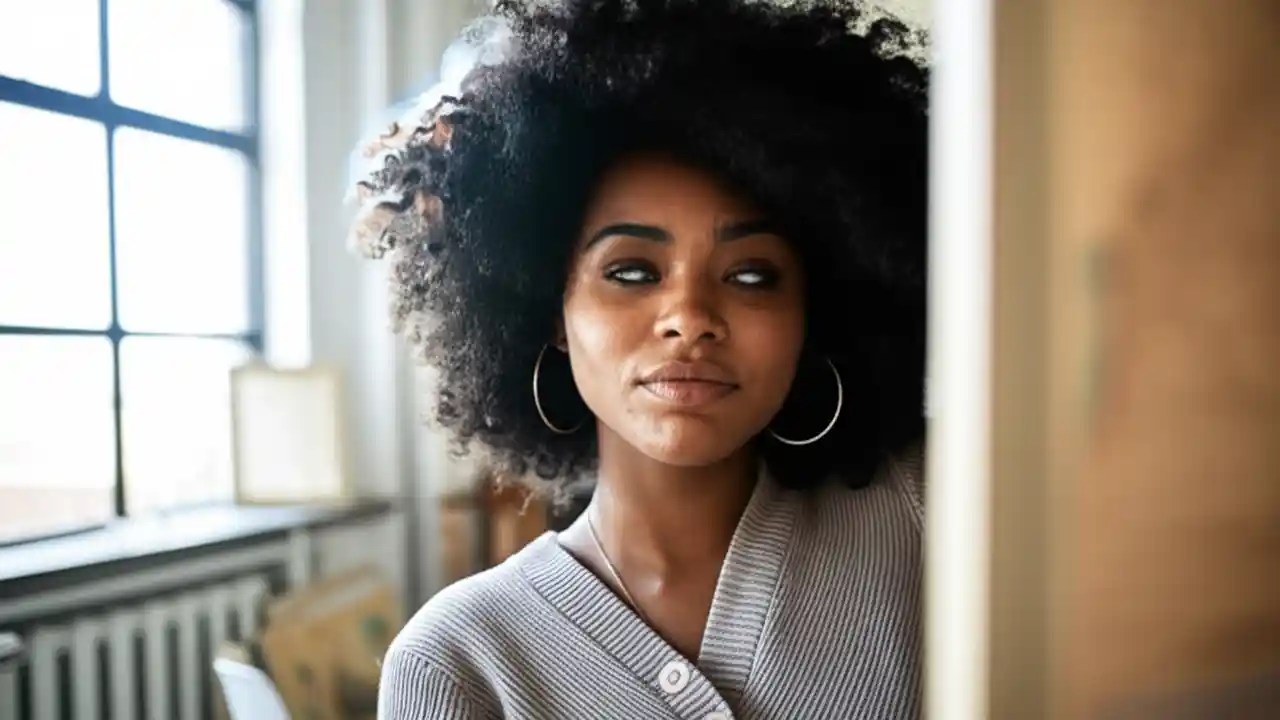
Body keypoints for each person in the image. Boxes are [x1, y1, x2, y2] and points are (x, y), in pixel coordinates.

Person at [350, 1, 927, 717]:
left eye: (752, 275)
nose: (689, 319)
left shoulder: (929, 514)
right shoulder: (458, 662)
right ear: (549, 310)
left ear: (816, 310)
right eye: (630, 271)